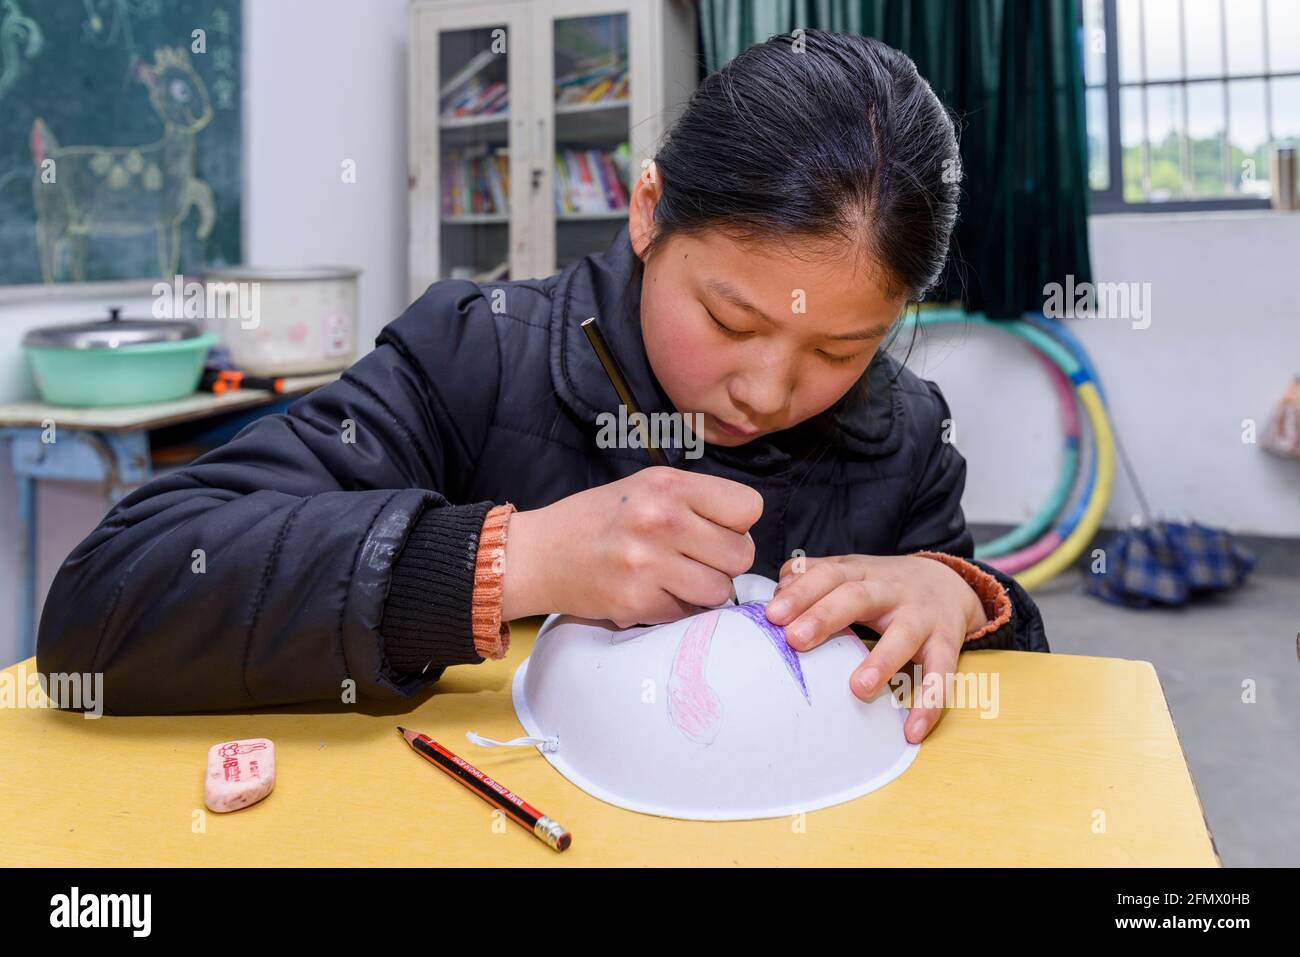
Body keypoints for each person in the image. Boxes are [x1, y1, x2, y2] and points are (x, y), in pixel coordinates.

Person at [38, 30, 1046, 741]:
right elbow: (108, 606)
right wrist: (500, 560)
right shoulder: (474, 357)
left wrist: (960, 595)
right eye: (730, 320)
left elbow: (1021, 706)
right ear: (647, 212)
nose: (768, 390)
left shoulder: (901, 431)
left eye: (841, 349)